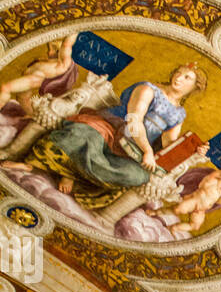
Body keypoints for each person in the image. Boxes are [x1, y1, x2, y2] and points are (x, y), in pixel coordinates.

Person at [29, 62, 207, 202]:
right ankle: (56, 170)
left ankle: (77, 178)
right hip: (111, 126)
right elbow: (134, 120)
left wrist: (192, 152)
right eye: (179, 72)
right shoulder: (148, 89)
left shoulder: (179, 114)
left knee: (137, 175)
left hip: (131, 148)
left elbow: (169, 143)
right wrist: (147, 151)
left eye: (187, 77)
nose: (179, 78)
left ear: (194, 87)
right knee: (84, 135)